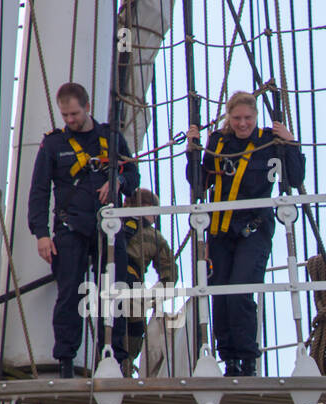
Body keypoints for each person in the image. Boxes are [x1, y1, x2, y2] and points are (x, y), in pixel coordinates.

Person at [187, 91, 305, 376]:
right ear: (229, 117)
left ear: (256, 117)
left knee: (240, 290)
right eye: (237, 118)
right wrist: (193, 149)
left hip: (254, 229)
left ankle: (248, 360)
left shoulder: (269, 141)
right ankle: (229, 360)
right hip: (220, 230)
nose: (242, 124)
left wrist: (289, 142)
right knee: (220, 295)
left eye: (248, 118)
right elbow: (199, 183)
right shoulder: (218, 142)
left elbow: (296, 178)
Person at [28, 81, 139, 378]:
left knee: (114, 291)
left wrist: (119, 182)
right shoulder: (53, 144)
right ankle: (65, 360)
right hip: (70, 226)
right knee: (69, 294)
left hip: (108, 227)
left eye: (74, 114)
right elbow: (39, 191)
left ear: (87, 107)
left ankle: (115, 358)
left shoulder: (111, 138)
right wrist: (41, 234)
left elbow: (133, 173)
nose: (70, 120)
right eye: (65, 115)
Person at [112, 188, 178, 373]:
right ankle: (124, 364)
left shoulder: (111, 221)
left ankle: (114, 361)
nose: (155, 219)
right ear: (148, 207)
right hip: (132, 286)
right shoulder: (154, 237)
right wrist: (153, 297)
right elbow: (170, 274)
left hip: (104, 282)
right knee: (135, 325)